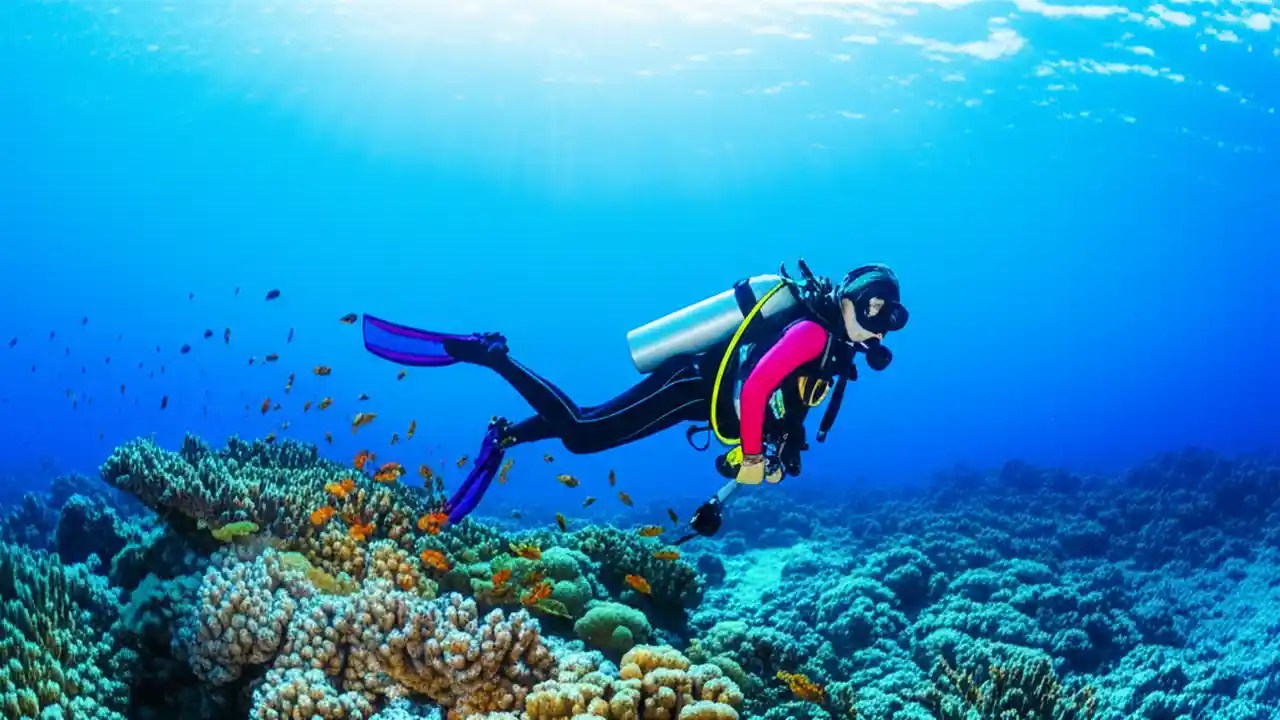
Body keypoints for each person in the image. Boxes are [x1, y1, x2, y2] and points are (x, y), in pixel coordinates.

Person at [361, 259, 908, 540]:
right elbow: (761, 384)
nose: (881, 338)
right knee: (583, 433)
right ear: (862, 304)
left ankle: (510, 432)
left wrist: (776, 453)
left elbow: (786, 406)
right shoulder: (814, 333)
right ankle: (492, 355)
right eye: (881, 320)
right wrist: (754, 459)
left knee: (591, 424)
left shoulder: (831, 347)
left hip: (700, 396)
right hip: (691, 385)